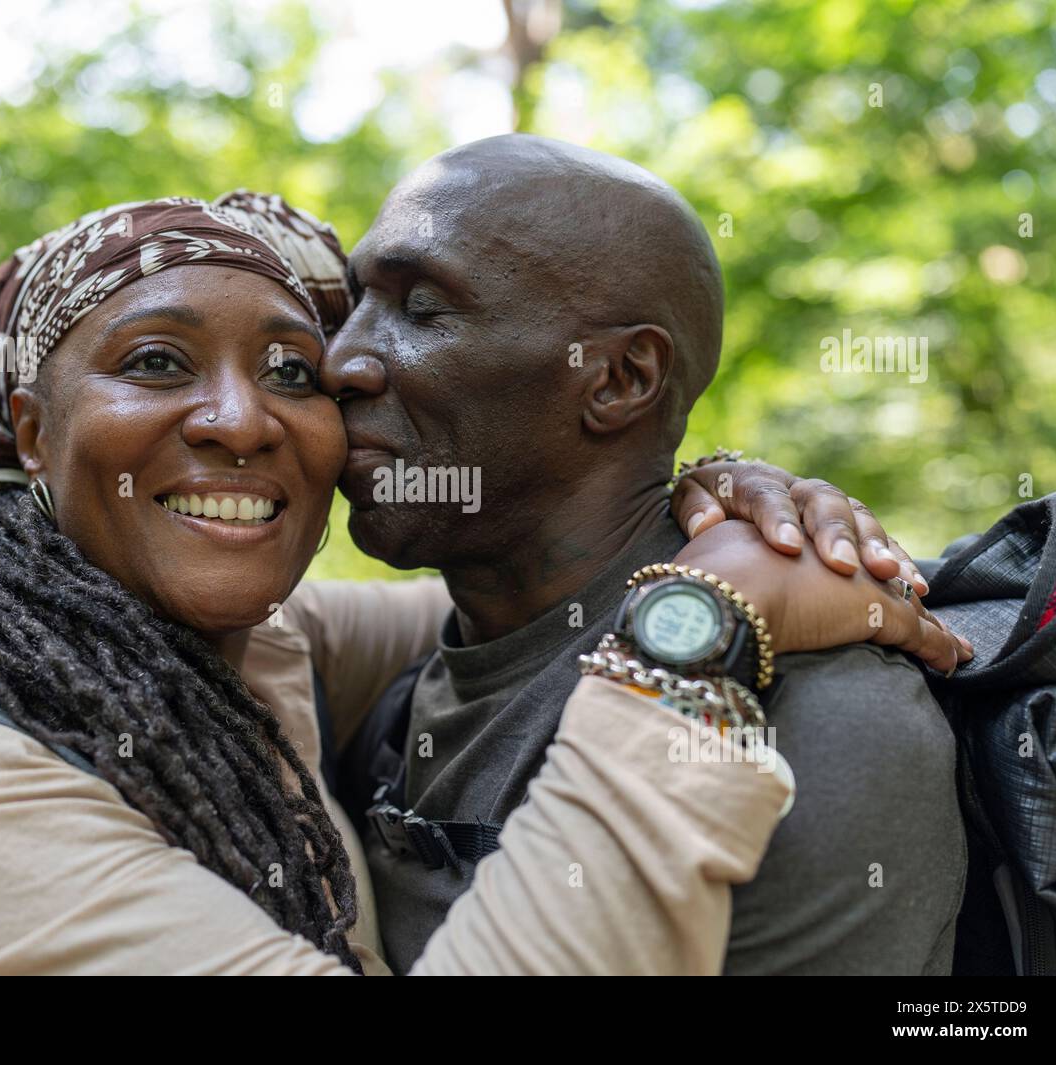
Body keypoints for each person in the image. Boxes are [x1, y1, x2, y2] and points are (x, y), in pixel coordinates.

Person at [0, 192, 960, 977]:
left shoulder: (260, 654)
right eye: (154, 363)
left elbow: (546, 600)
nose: (248, 418)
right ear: (30, 433)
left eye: (291, 369)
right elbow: (636, 616)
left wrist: (717, 494)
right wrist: (696, 630)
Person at [323, 134, 971, 975]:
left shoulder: (809, 724)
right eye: (353, 303)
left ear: (620, 380)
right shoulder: (394, 694)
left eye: (421, 310)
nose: (341, 361)